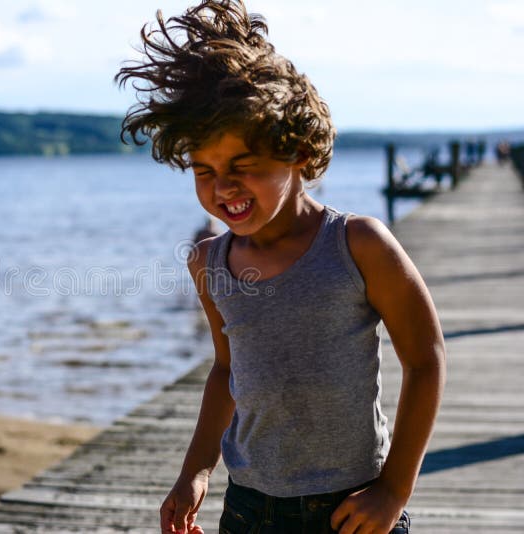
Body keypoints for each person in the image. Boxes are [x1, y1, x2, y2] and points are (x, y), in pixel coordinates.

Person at [114, 2, 446, 533]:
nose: (222, 187)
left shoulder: (357, 243)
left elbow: (425, 359)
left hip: (351, 507)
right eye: (205, 171)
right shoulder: (209, 263)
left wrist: (393, 488)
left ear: (296, 151)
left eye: (243, 167)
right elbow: (227, 370)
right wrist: (195, 471)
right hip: (248, 509)